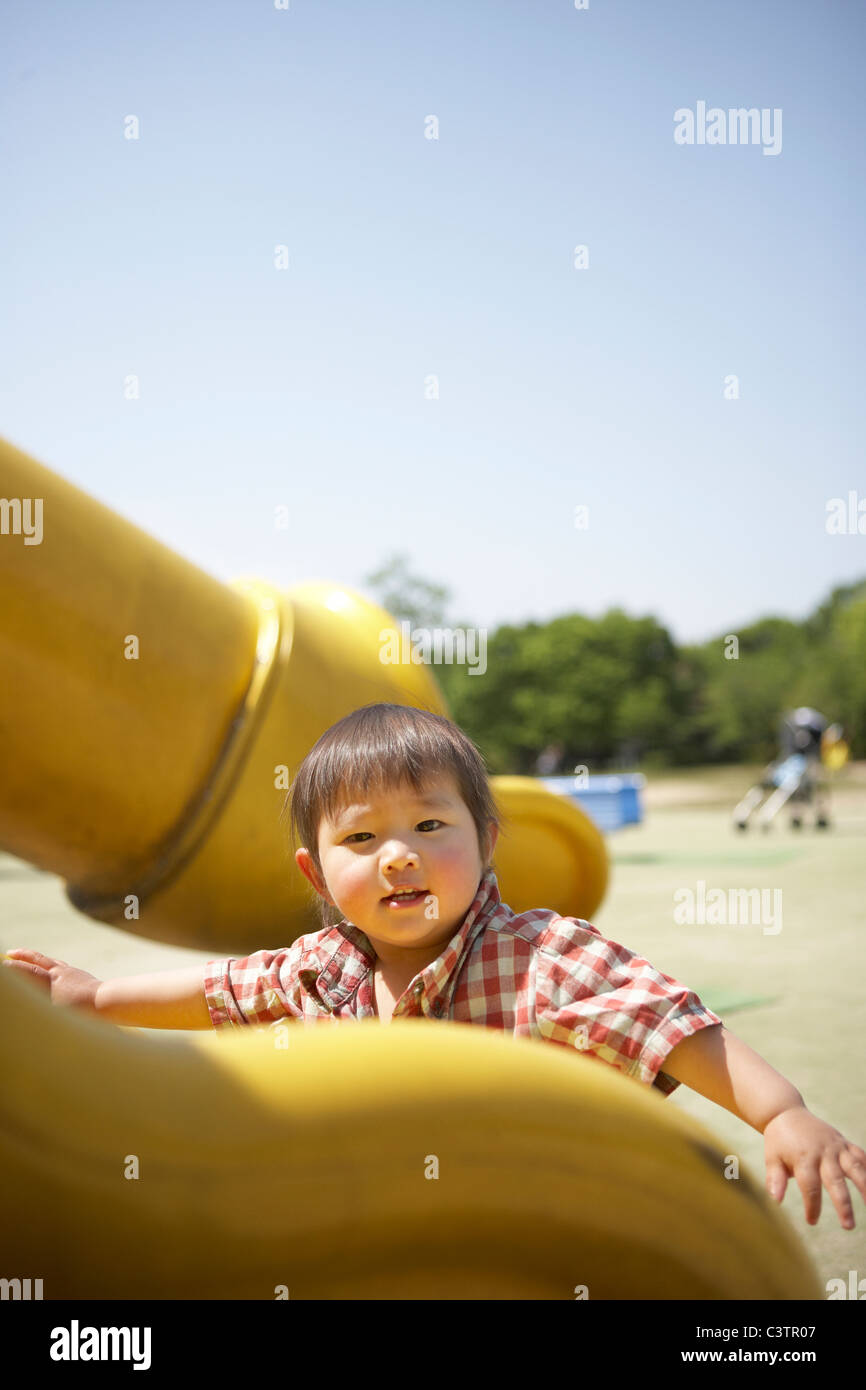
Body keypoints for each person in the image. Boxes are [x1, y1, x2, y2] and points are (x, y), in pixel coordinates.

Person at [4, 703, 864, 1232]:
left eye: (428, 828)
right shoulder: (325, 969)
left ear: (486, 841)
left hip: (556, 1222)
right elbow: (224, 989)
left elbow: (671, 1026)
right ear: (316, 873)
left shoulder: (541, 957)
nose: (397, 858)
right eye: (361, 838)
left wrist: (781, 1113)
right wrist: (96, 996)